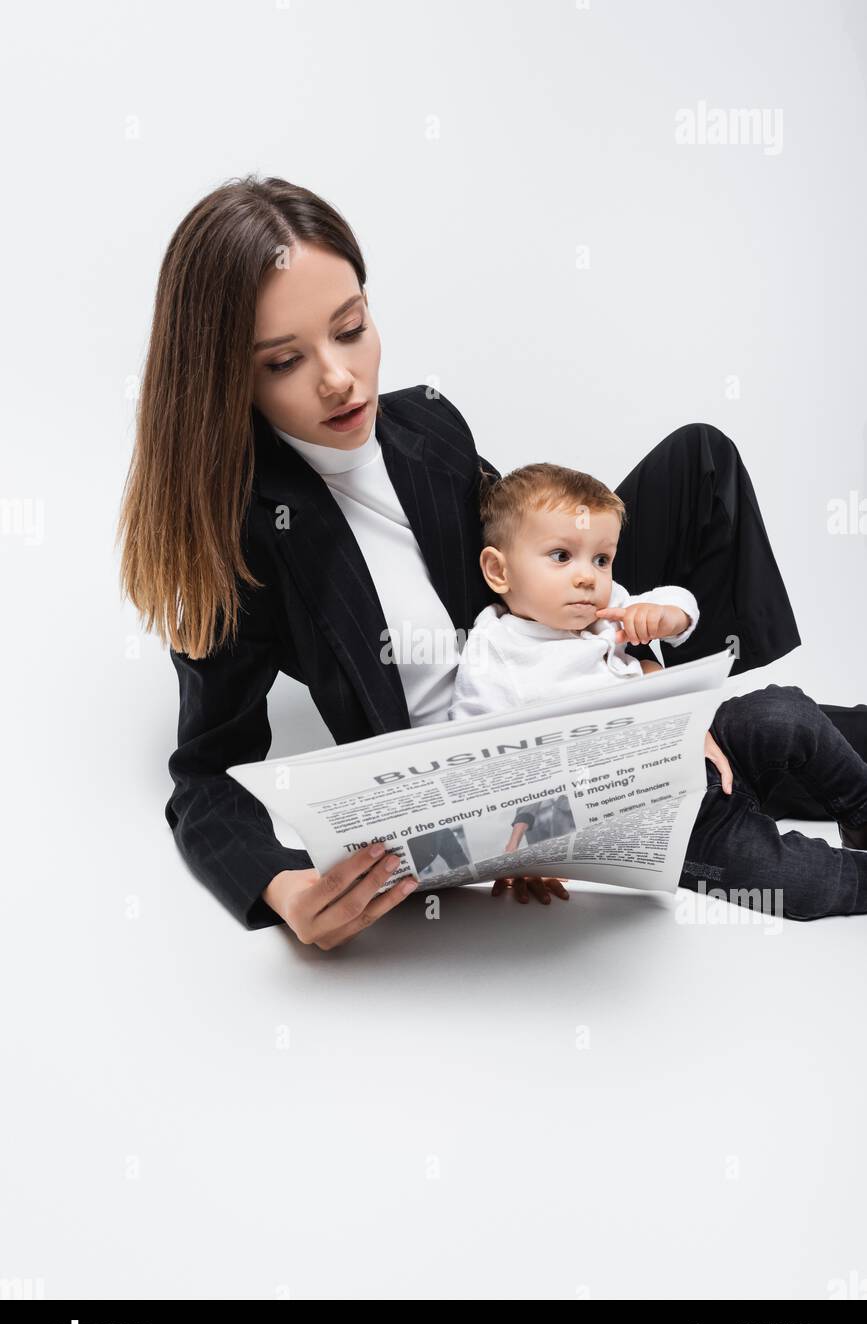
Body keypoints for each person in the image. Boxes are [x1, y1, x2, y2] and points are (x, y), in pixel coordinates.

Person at [115, 175, 866, 946]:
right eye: (283, 362)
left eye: (350, 328)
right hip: (494, 774)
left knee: (702, 468)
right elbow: (205, 774)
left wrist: (659, 694)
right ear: (225, 377)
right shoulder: (237, 536)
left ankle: (704, 748)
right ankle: (711, 786)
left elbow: (529, 558)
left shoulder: (429, 425)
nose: (338, 378)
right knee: (783, 790)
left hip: (561, 667)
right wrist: (282, 887)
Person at [446, 463, 867, 919]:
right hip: (662, 816)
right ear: (498, 571)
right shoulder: (496, 650)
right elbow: (476, 769)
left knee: (786, 711)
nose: (588, 577)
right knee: (798, 882)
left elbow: (681, 600)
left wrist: (668, 617)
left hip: (707, 745)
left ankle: (860, 814)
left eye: (601, 559)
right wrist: (523, 855)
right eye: (562, 556)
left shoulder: (606, 610)